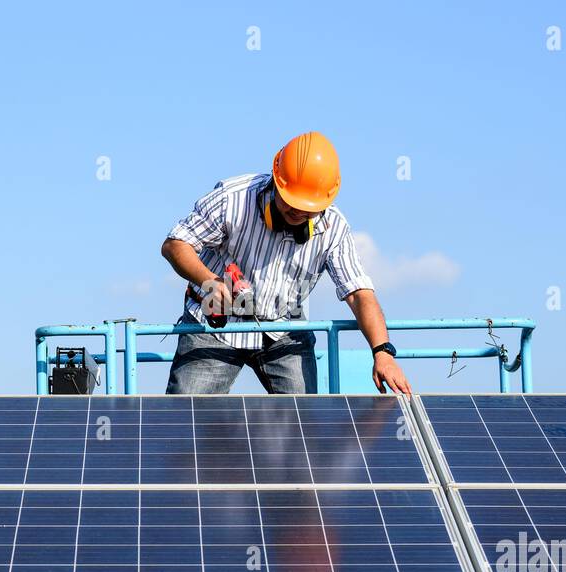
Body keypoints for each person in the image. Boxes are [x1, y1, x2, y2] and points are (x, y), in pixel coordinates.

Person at [160, 131, 412, 395]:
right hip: (213, 327)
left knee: (302, 425)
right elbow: (175, 245)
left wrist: (383, 352)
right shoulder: (232, 199)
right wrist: (209, 281)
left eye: (308, 208)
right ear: (276, 182)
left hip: (284, 329)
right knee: (187, 422)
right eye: (291, 203)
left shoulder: (334, 228)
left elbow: (359, 294)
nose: (298, 212)